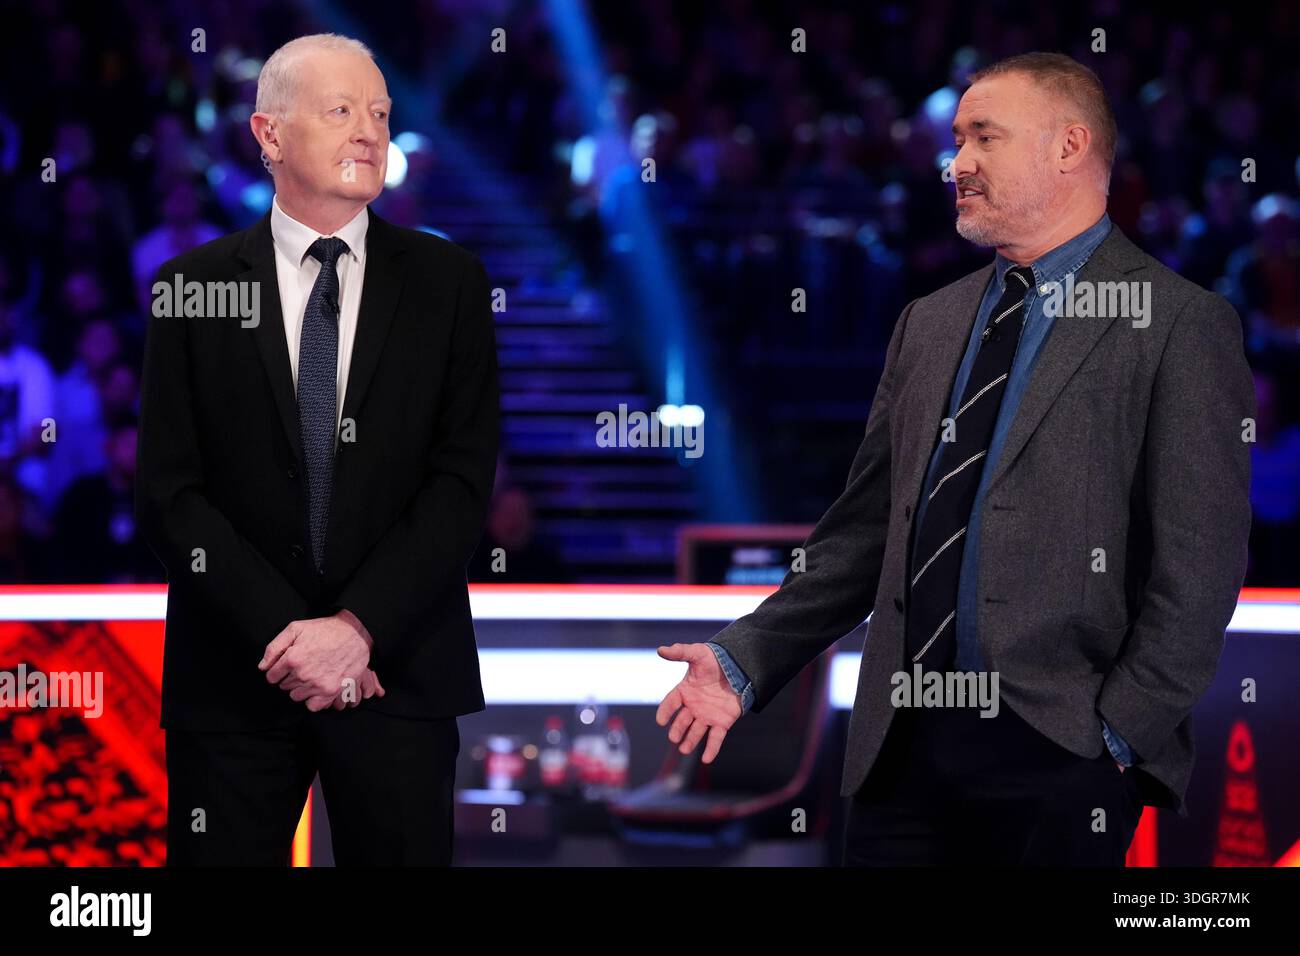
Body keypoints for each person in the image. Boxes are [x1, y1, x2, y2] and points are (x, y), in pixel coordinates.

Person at [655, 52, 1253, 866]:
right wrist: (743, 659)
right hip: (898, 754)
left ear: (1069, 146)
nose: (957, 163)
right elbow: (862, 539)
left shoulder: (1182, 325)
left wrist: (1114, 736)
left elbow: (1201, 568)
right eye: (956, 140)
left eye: (984, 138)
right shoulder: (928, 324)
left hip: (1061, 755)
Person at [137, 34, 499, 865]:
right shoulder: (191, 284)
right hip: (235, 677)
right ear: (268, 134)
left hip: (399, 671)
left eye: (379, 112)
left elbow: (459, 482)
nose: (370, 132)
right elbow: (168, 494)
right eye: (341, 111)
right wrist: (296, 638)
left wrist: (358, 629)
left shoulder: (451, 284)